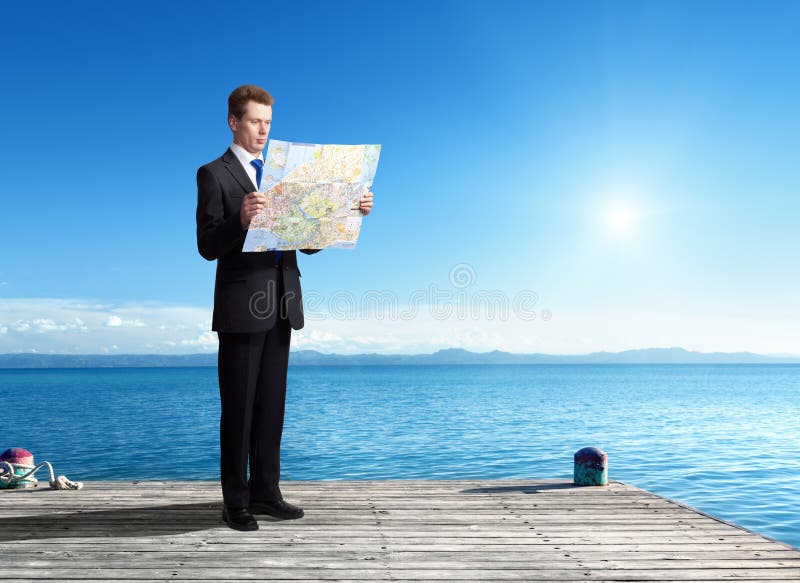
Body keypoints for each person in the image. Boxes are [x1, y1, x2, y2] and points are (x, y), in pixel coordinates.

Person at [196, 84, 374, 531]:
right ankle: (235, 502)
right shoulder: (213, 174)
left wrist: (349, 210)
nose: (262, 130)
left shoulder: (281, 177)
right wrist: (240, 220)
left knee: (271, 406)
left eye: (268, 123)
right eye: (255, 121)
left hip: (281, 303)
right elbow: (206, 245)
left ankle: (266, 494)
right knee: (238, 407)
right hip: (240, 306)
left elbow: (306, 241)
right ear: (234, 122)